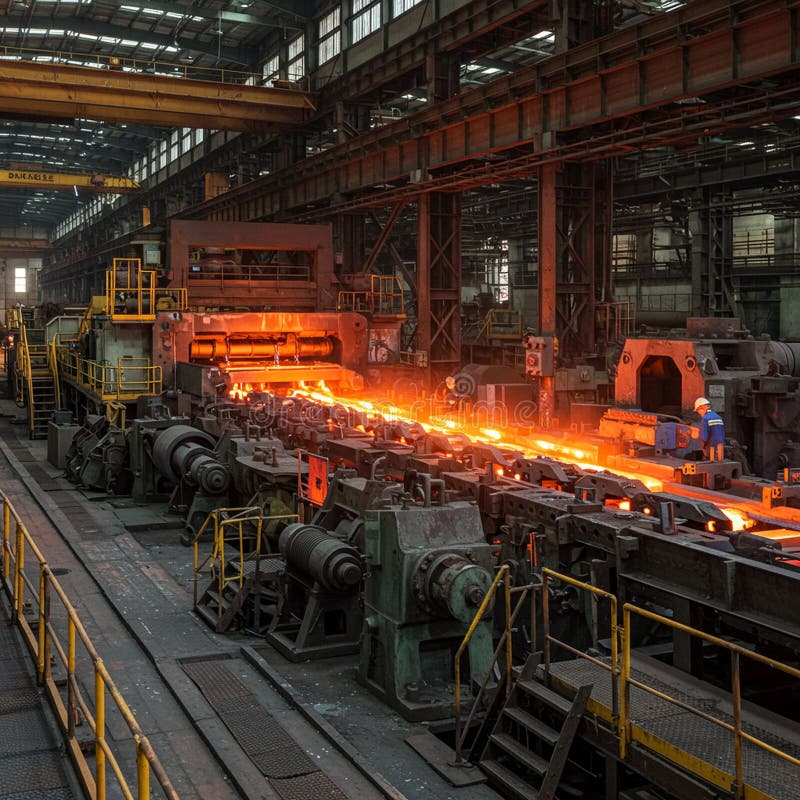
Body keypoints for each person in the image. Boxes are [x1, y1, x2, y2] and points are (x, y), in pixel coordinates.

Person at [694, 396, 725, 461]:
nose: (699, 413)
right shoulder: (718, 417)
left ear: (701, 408)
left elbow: (704, 437)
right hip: (721, 448)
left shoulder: (705, 419)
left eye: (698, 411)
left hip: (711, 450)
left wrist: (702, 448)